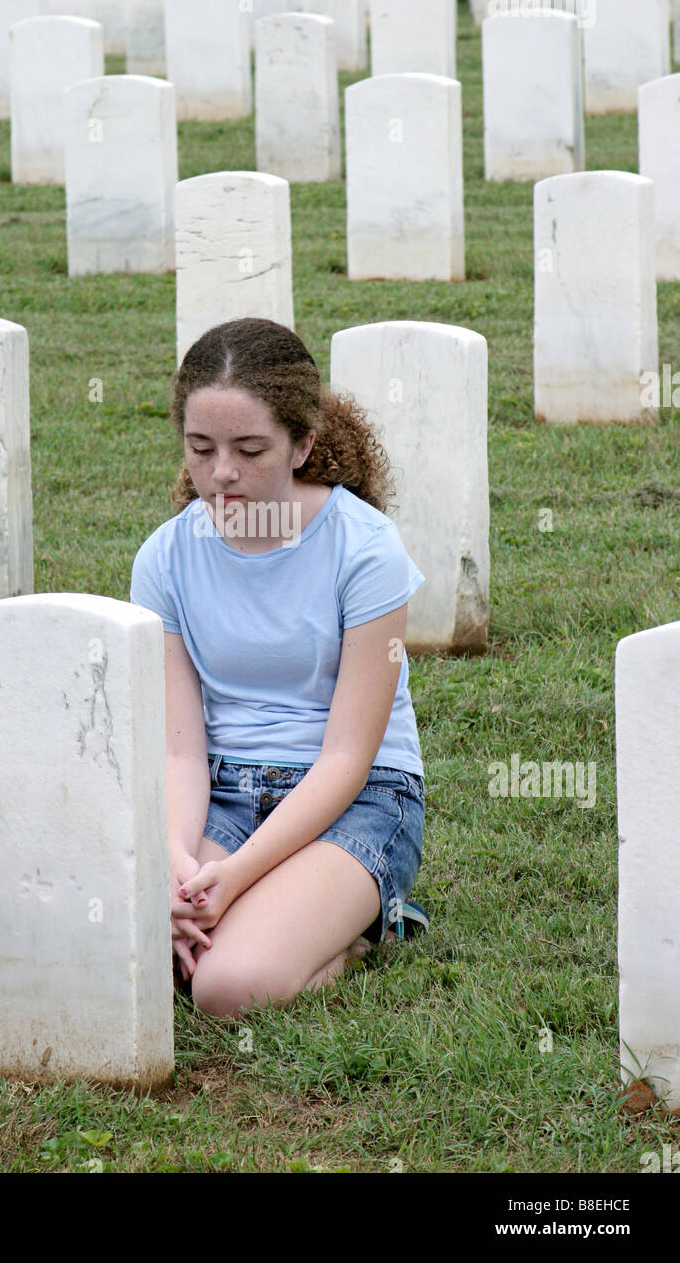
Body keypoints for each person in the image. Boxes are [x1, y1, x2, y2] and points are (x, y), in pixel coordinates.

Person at [129, 318, 427, 1020]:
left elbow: (349, 757)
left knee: (224, 988)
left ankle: (359, 930)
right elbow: (180, 748)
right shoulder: (164, 560)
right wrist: (176, 860)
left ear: (303, 445)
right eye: (201, 449)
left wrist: (231, 878)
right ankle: (282, 919)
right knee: (140, 954)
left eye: (249, 449)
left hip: (358, 799)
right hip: (223, 791)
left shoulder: (366, 550)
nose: (221, 473)